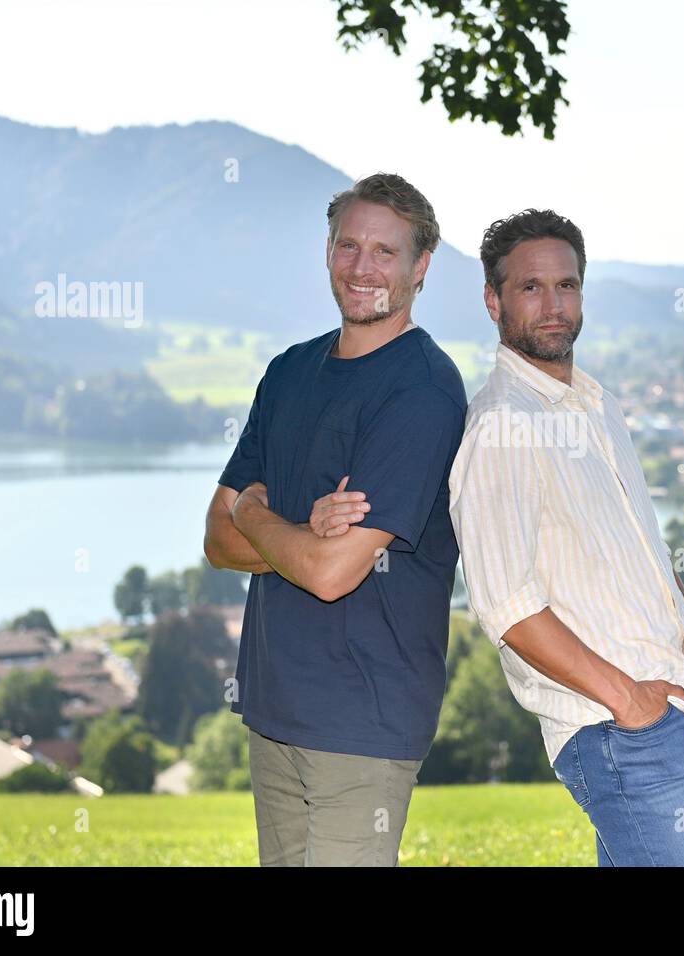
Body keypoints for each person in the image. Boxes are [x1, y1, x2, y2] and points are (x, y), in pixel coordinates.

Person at [448, 208, 684, 866]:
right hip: (618, 730)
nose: (553, 305)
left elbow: (635, 539)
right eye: (530, 287)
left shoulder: (596, 404)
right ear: (494, 300)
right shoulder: (500, 428)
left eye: (566, 286)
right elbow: (507, 607)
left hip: (679, 703)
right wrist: (627, 700)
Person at [203, 172, 466, 866]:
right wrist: (294, 529)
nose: (362, 267)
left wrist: (259, 512)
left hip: (364, 724)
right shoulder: (288, 372)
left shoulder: (424, 393)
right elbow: (214, 539)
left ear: (421, 268)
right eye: (349, 245)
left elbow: (328, 571)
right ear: (327, 252)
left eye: (385, 252)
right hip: (273, 712)